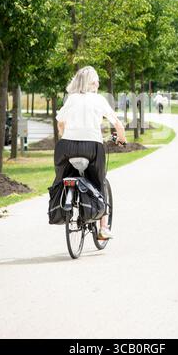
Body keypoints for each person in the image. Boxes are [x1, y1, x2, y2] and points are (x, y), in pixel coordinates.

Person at [54, 66, 126, 239]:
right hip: (92, 147)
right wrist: (121, 139)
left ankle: (64, 204)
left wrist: (66, 137)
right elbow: (117, 124)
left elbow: (60, 123)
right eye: (97, 79)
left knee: (64, 176)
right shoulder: (99, 99)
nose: (99, 82)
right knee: (99, 181)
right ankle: (103, 228)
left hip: (67, 147)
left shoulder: (70, 99)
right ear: (92, 82)